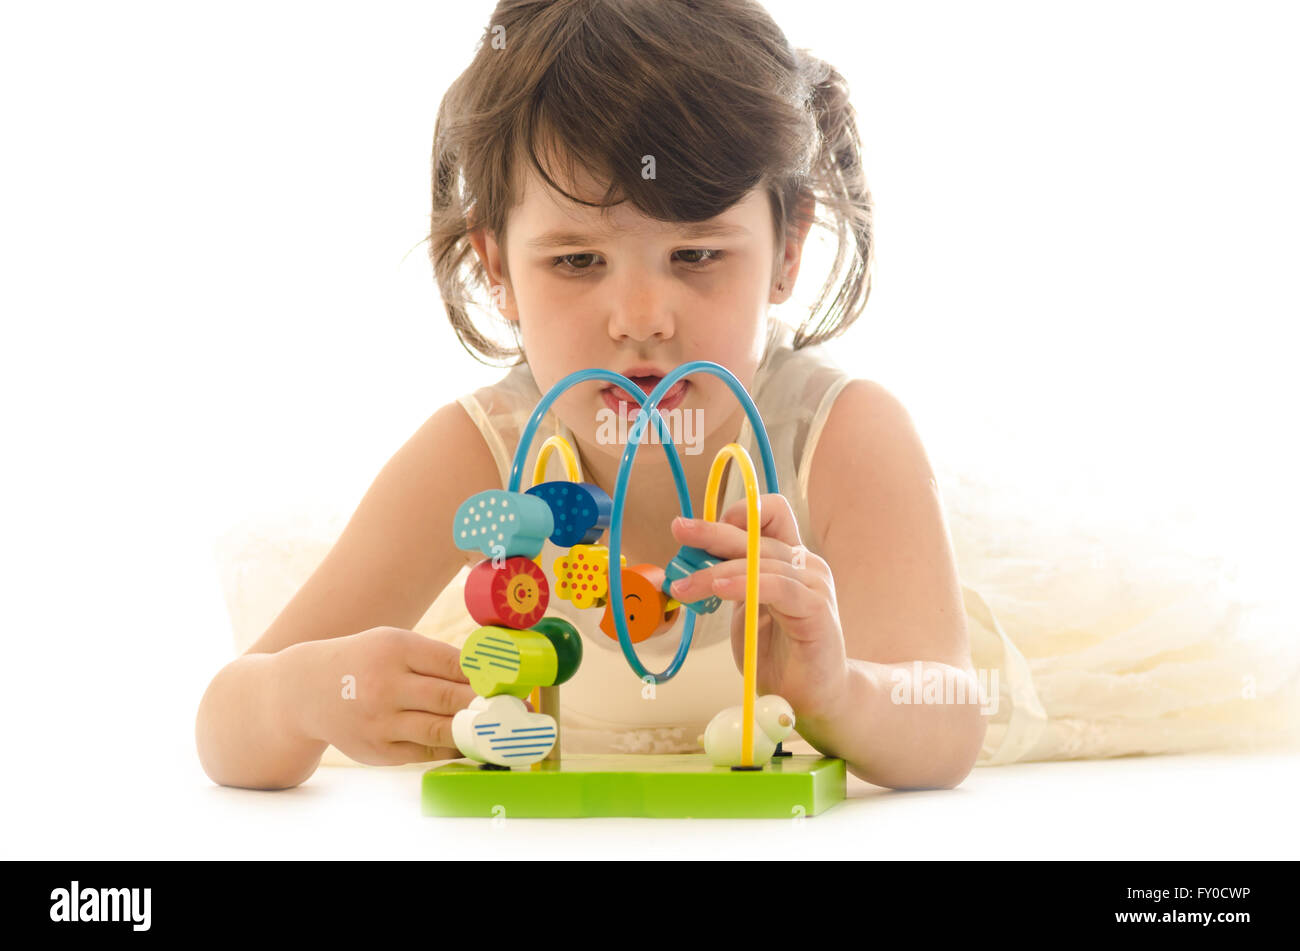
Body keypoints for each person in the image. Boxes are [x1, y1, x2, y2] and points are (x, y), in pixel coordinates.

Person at [198, 0, 1298, 791]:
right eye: (576, 263)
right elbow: (224, 723)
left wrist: (837, 691)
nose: (640, 318)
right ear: (496, 267)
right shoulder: (478, 452)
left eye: (697, 256)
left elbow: (948, 721)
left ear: (785, 254)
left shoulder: (842, 436)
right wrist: (308, 699)